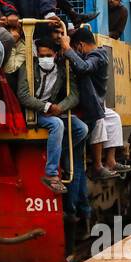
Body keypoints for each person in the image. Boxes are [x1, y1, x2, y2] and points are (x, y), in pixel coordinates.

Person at [16, 33, 81, 193]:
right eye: (41, 55)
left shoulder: (62, 69)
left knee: (81, 129)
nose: (44, 58)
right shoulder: (28, 67)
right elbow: (23, 95)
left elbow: (74, 95)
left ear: (56, 54)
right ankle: (52, 174)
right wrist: (46, 107)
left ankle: (57, 152)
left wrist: (60, 107)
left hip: (53, 111)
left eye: (48, 55)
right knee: (57, 125)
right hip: (33, 113)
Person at [65, 26, 129, 179]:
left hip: (92, 103)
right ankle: (101, 164)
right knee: (109, 118)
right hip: (93, 103)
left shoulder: (96, 55)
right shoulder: (98, 54)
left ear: (80, 45)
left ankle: (106, 163)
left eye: (75, 48)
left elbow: (83, 67)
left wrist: (67, 49)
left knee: (108, 118)